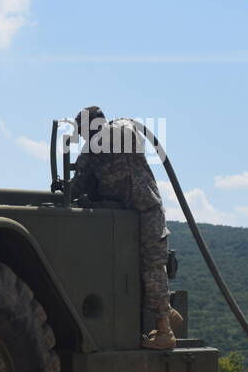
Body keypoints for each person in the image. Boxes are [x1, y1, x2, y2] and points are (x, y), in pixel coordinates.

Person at [68, 106, 175, 350]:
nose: (85, 137)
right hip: (122, 219)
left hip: (146, 212)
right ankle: (162, 315)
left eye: (84, 131)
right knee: (128, 272)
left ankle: (164, 330)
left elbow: (118, 135)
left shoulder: (121, 131)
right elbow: (78, 186)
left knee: (152, 267)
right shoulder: (94, 151)